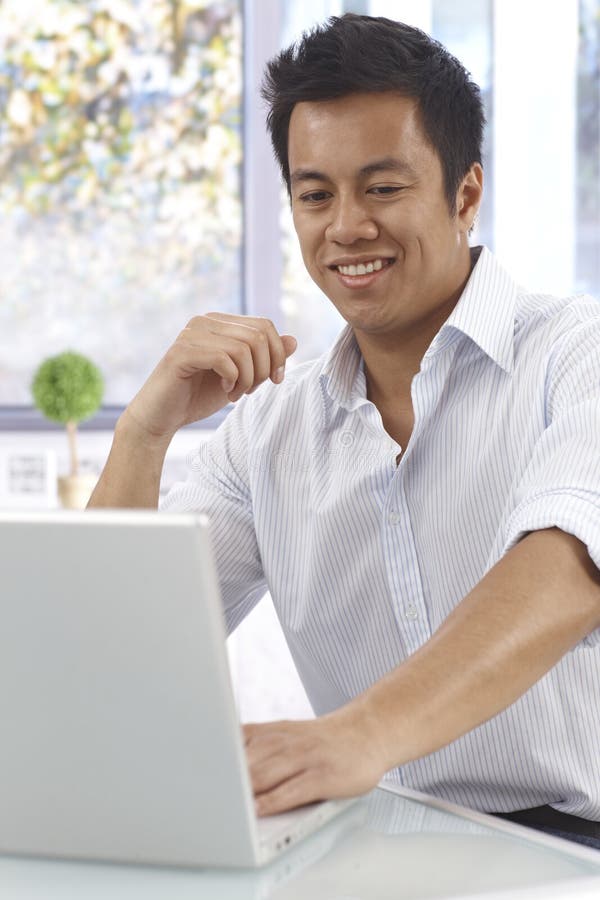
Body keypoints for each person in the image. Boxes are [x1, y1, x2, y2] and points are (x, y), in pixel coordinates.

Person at [89, 14, 600, 847]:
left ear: (465, 193)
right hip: (369, 849)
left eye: (384, 188)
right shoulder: (270, 427)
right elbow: (105, 653)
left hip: (577, 851)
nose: (346, 228)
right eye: (314, 194)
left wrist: (358, 735)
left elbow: (573, 566)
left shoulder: (578, 354)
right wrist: (142, 431)